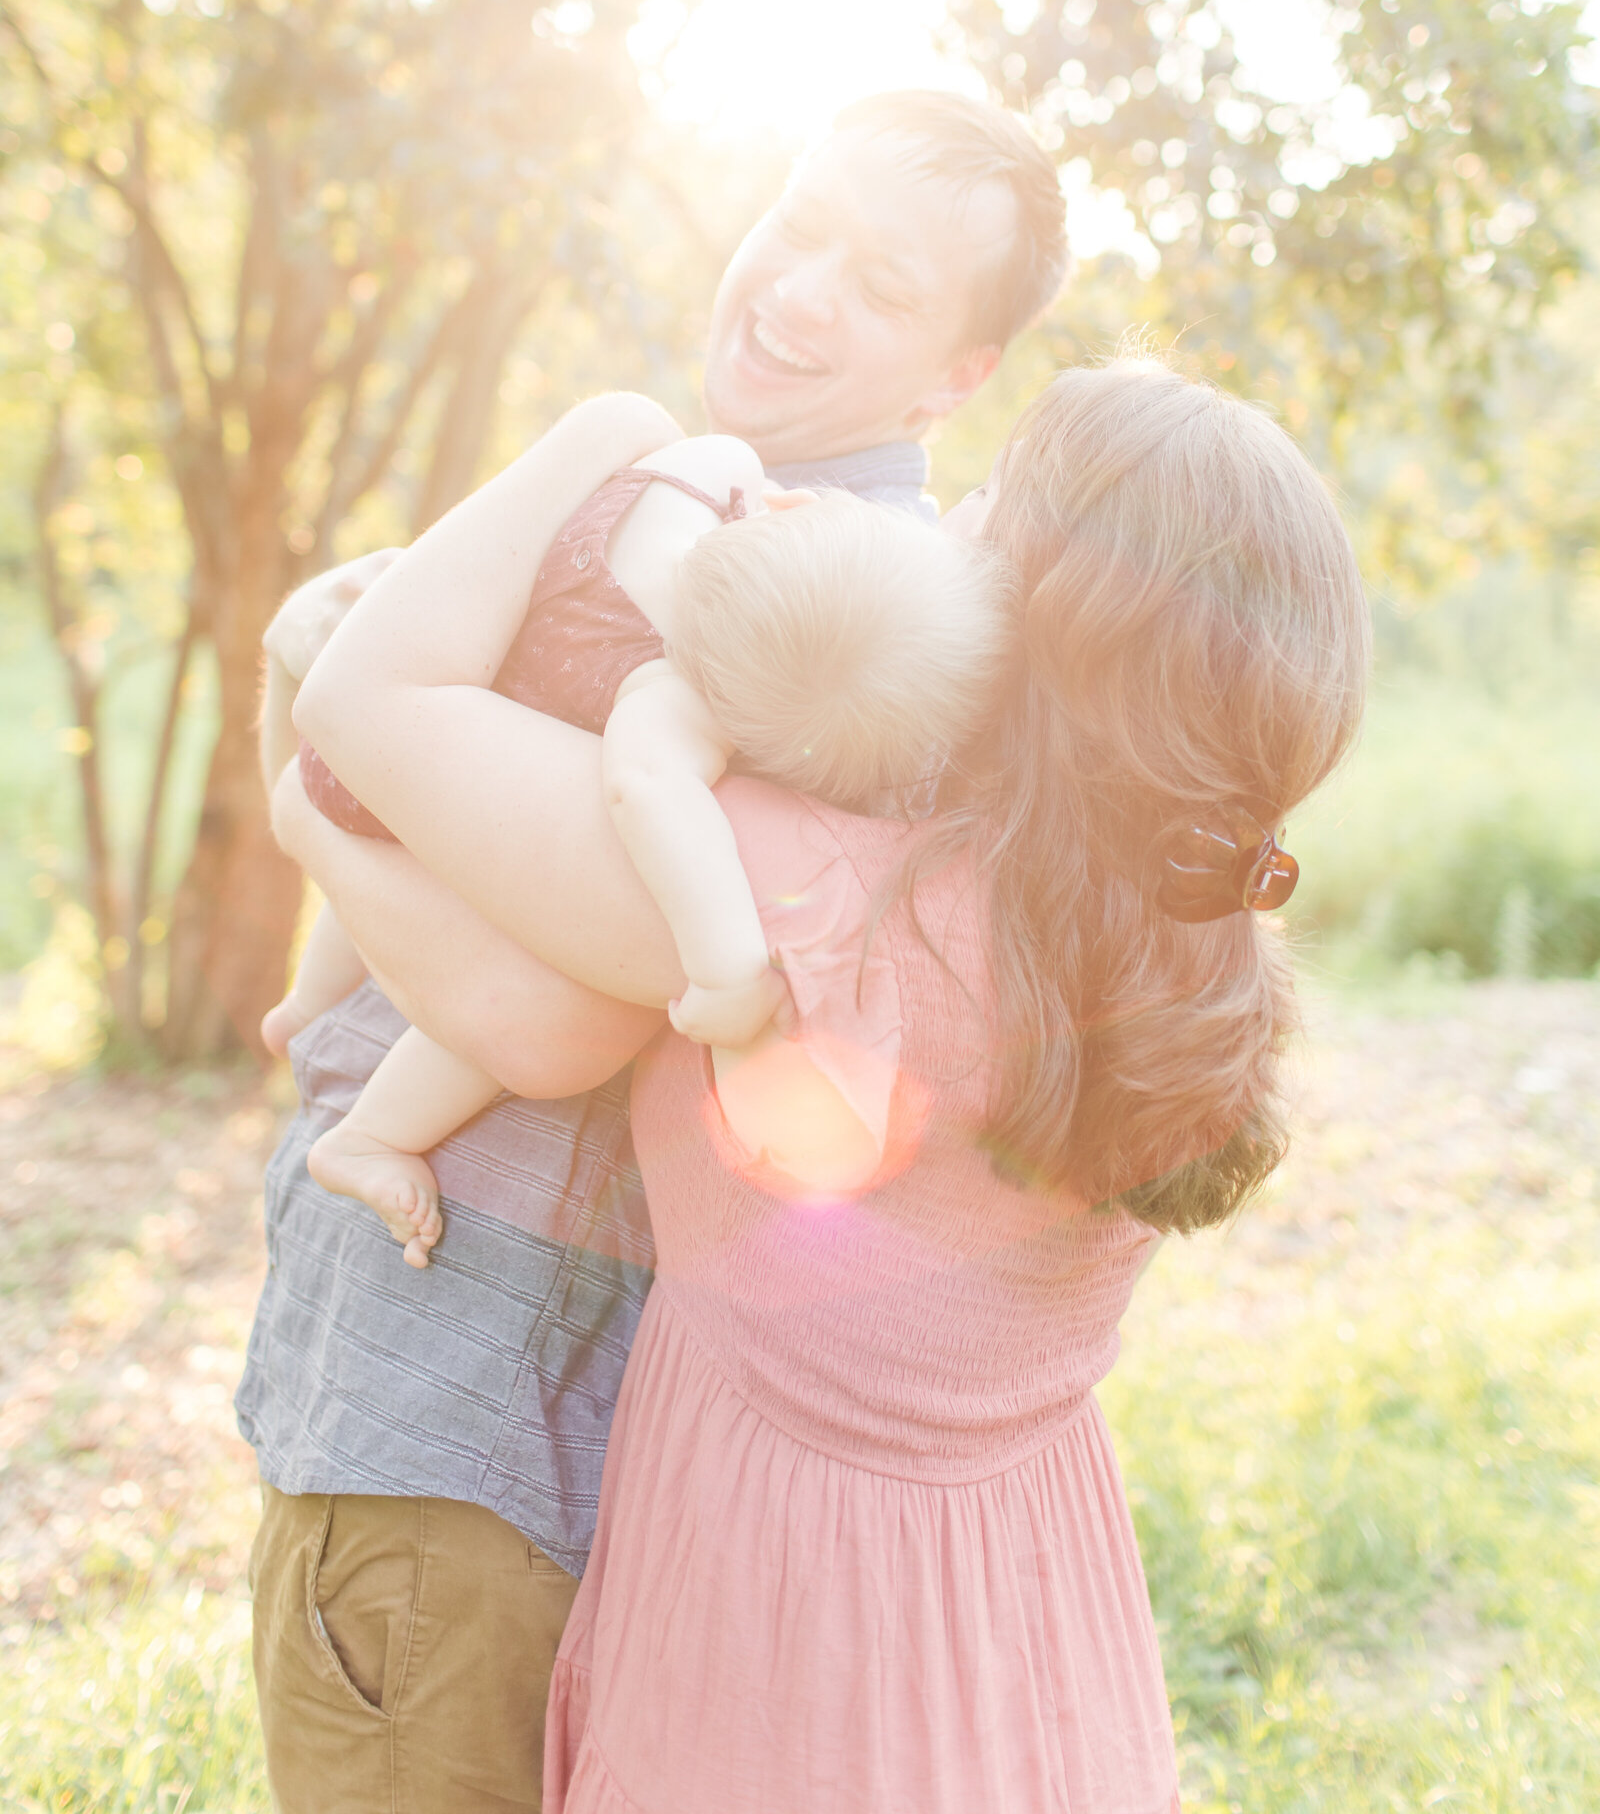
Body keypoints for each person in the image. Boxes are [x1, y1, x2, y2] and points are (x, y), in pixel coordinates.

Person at [273, 355, 1370, 1812]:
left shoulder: (812, 890)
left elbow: (370, 699)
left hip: (791, 1637)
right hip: (1029, 1626)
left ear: (1033, 622)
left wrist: (609, 436)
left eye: (990, 503)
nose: (947, 526)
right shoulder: (1191, 945)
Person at [239, 90, 1068, 1812]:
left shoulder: (825, 619)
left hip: (474, 1399)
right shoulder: (699, 521)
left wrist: (322, 793)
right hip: (470, 1394)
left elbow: (554, 999)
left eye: (885, 283)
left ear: (957, 376)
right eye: (804, 214)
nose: (801, 287)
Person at [286, 432, 1007, 1264]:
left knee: (375, 880)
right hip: (410, 790)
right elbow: (651, 796)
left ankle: (306, 1003)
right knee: (508, 1006)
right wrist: (729, 975)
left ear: (791, 506)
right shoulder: (671, 696)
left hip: (367, 753)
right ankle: (368, 1136)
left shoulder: (681, 483)